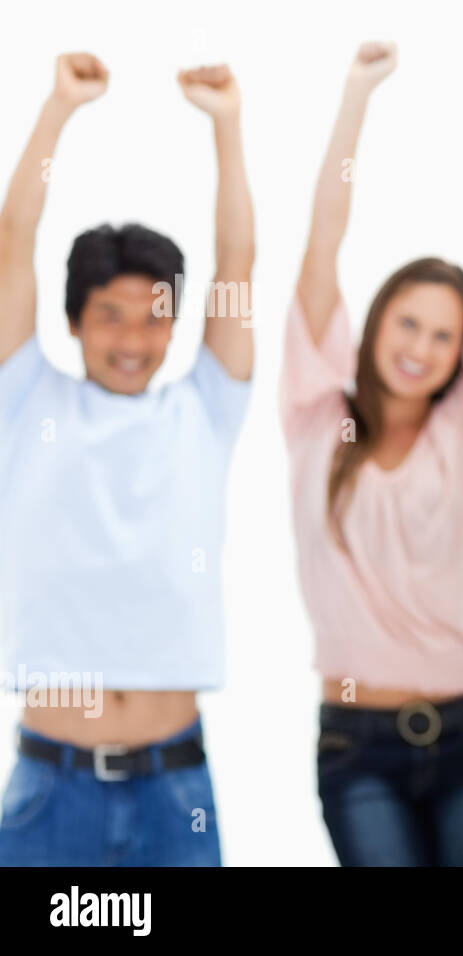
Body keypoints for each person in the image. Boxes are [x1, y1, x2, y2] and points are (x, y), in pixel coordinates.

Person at [281, 43, 463, 866]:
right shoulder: (317, 412)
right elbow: (324, 236)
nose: (421, 347)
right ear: (376, 322)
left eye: (443, 334)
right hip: (357, 745)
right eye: (408, 323)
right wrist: (355, 95)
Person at [0, 54, 254, 865]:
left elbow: (238, 267)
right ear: (74, 321)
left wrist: (226, 126)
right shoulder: (29, 400)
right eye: (110, 317)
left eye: (152, 318)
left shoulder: (203, 410)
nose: (133, 340)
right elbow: (12, 242)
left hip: (172, 787)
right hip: (51, 787)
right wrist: (59, 108)